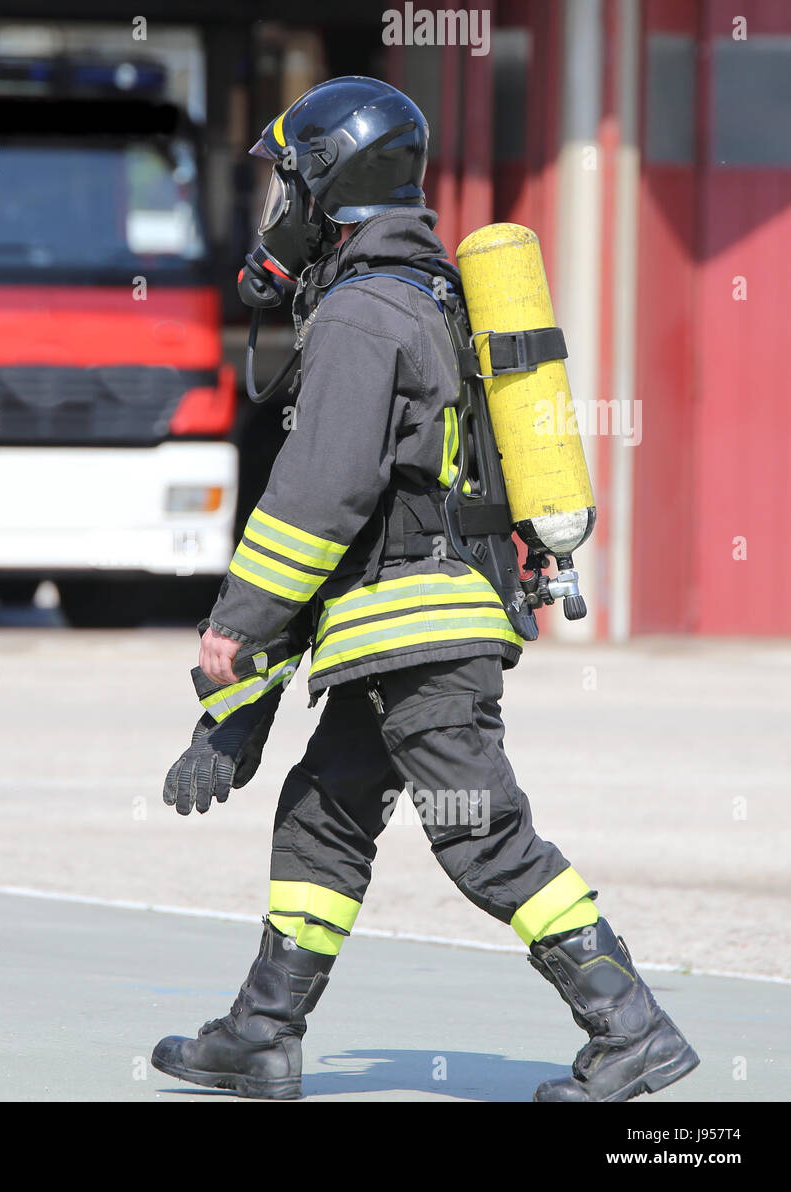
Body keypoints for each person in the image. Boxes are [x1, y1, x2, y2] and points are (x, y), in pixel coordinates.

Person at [150, 76, 699, 1103]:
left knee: (478, 829)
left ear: (326, 187)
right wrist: (238, 713)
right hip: (400, 630)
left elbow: (320, 500)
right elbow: (359, 518)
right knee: (322, 814)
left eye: (287, 188)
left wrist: (234, 629)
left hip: (417, 632)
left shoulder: (362, 316)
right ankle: (261, 1034)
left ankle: (632, 1027)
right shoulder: (427, 296)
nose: (278, 215)